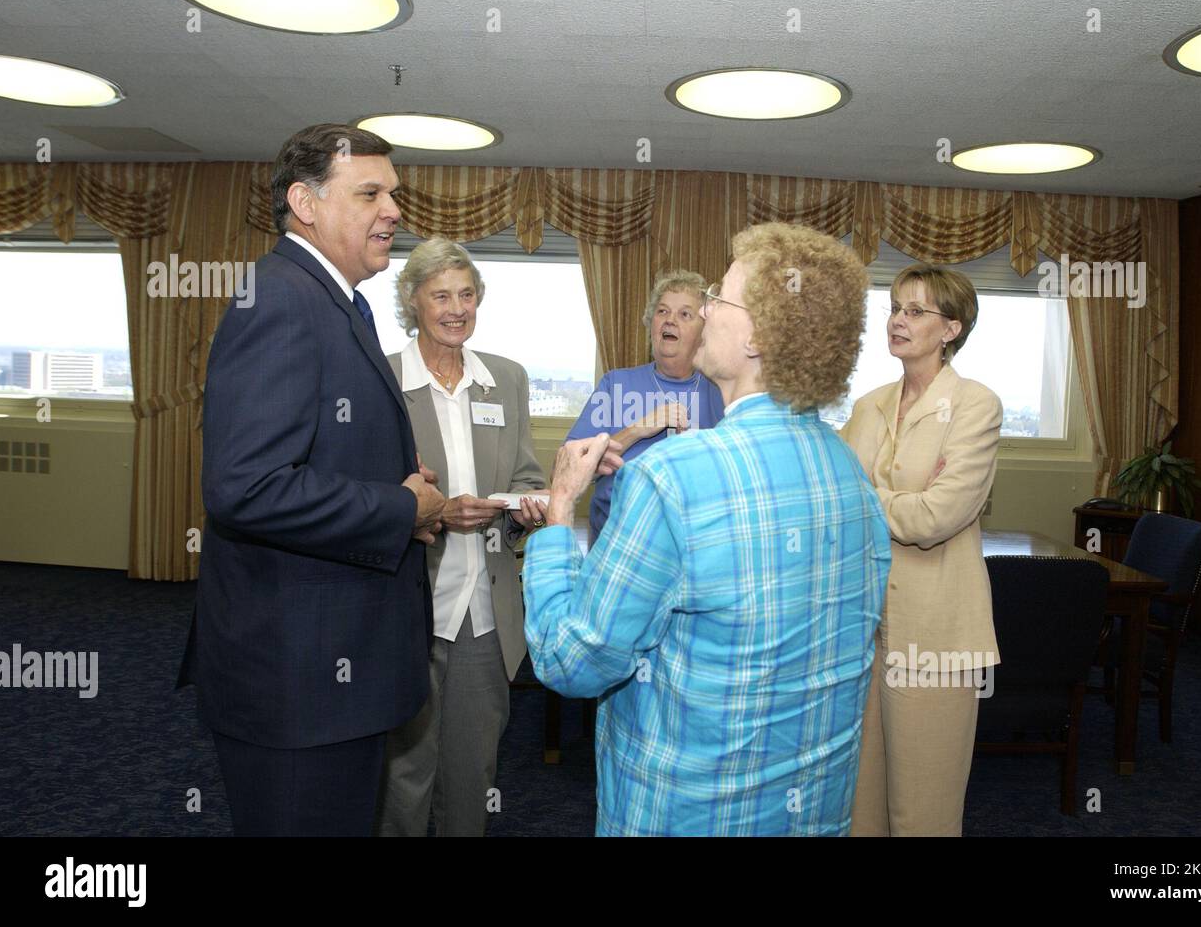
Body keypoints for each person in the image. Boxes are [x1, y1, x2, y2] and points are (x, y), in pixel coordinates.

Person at [523, 223, 891, 836]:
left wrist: (559, 514)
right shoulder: (852, 477)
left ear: (758, 338)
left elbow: (573, 661)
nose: (706, 308)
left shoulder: (673, 478)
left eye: (720, 296)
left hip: (688, 813)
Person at [178, 123, 446, 836]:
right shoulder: (281, 298)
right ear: (304, 201)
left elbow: (314, 454)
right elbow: (246, 485)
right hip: (297, 683)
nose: (393, 209)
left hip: (331, 670)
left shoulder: (334, 301)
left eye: (393, 193)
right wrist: (396, 504)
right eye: (370, 193)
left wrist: (401, 496)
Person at [375, 237, 547, 837]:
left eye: (466, 294)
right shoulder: (383, 379)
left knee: (474, 770)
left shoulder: (507, 378)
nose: (456, 308)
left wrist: (525, 507)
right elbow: (366, 494)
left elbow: (526, 473)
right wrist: (436, 511)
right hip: (410, 604)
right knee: (404, 771)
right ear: (412, 301)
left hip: (486, 608)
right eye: (440, 294)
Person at [840, 263, 1003, 837]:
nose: (898, 321)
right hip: (861, 629)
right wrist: (895, 498)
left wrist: (867, 496)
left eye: (916, 311)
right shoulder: (868, 405)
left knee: (923, 815)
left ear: (951, 329)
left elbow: (935, 518)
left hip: (935, 635)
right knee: (859, 809)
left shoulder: (976, 405)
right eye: (895, 308)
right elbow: (838, 500)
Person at [565, 270, 724, 544]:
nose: (670, 320)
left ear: (704, 330)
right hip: (616, 546)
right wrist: (638, 429)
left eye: (685, 314)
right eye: (662, 311)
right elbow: (569, 470)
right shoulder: (616, 384)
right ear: (651, 323)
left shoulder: (721, 391)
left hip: (697, 549)